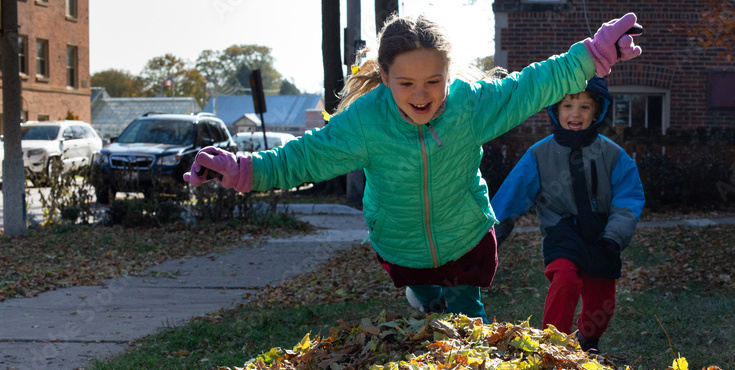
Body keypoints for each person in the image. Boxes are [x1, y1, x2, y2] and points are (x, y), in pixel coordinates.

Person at [185, 12, 643, 321]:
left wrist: (593, 56)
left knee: (468, 317)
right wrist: (241, 169)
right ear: (384, 78)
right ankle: (424, 297)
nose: (421, 94)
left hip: (466, 238)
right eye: (406, 83)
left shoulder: (469, 106)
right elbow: (304, 156)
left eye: (433, 81)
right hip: (401, 246)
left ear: (449, 75)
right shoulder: (367, 122)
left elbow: (530, 87)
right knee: (427, 301)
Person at [490, 77, 644, 354]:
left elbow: (628, 199)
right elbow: (511, 198)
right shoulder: (539, 154)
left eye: (585, 107)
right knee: (565, 278)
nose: (575, 113)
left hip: (602, 234)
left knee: (602, 299)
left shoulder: (613, 155)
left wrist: (614, 237)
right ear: (555, 110)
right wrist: (488, 239)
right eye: (568, 105)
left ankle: (588, 342)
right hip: (561, 231)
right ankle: (551, 344)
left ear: (597, 113)